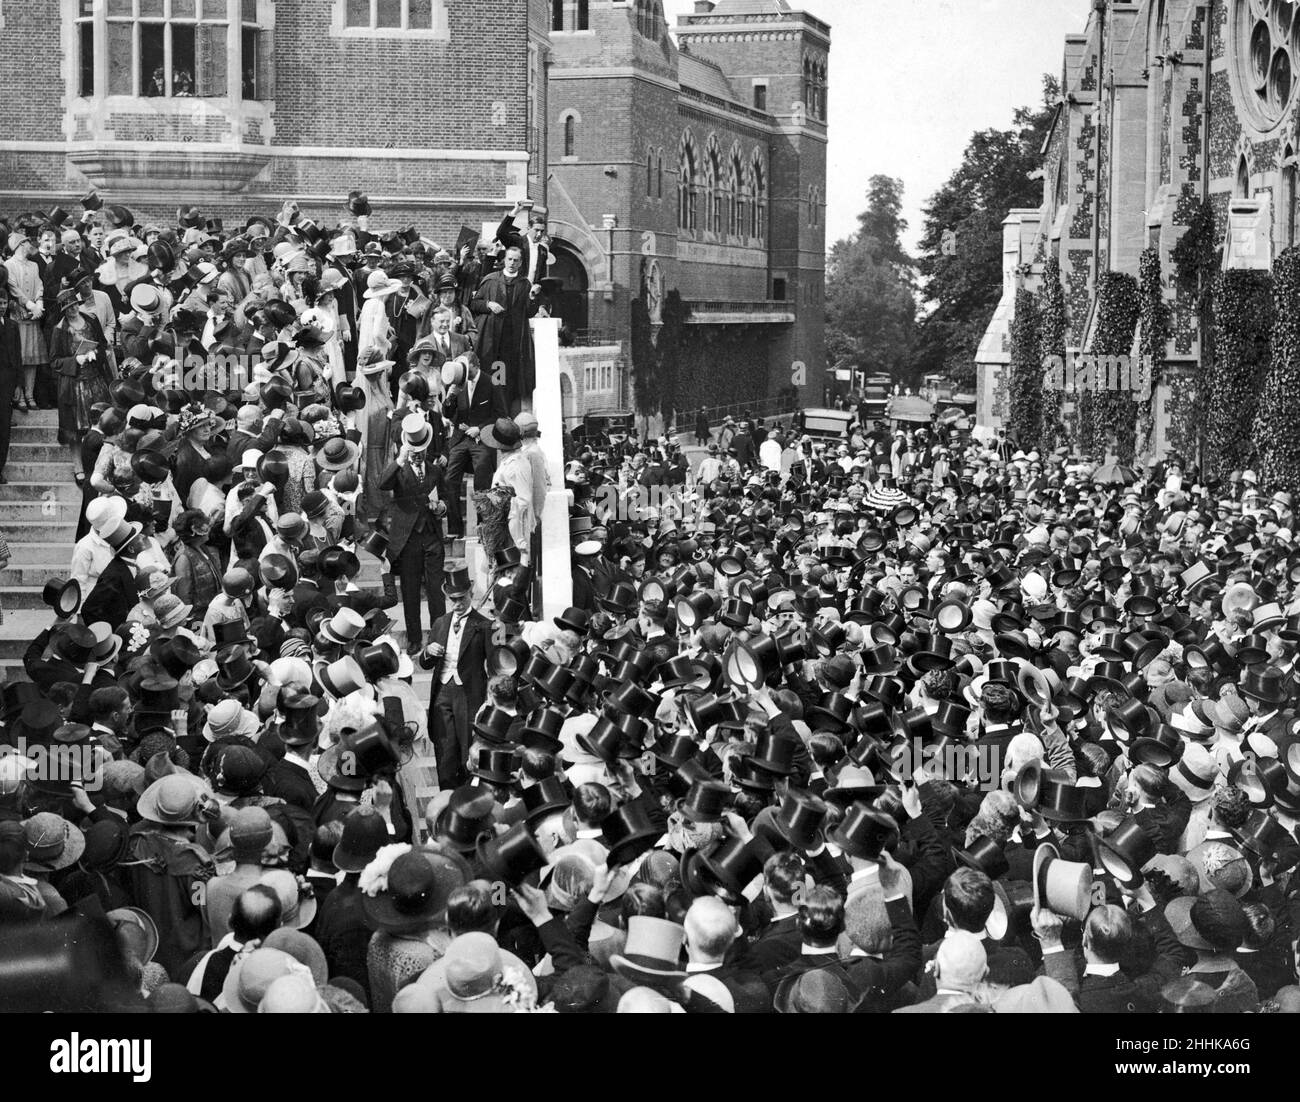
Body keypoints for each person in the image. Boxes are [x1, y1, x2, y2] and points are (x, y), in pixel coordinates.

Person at [380, 413, 448, 654]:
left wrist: (441, 507)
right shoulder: (398, 470)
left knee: (436, 592)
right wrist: (399, 460)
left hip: (431, 537)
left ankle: (439, 637)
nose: (418, 453)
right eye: (413, 448)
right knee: (409, 592)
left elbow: (446, 500)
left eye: (422, 449)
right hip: (407, 540)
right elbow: (382, 484)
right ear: (406, 446)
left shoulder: (435, 471)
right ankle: (414, 638)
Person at [472, 245, 541, 416]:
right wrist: (488, 305)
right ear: (504, 260)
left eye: (516, 260)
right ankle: (495, 415)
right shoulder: (491, 280)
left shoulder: (525, 284)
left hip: (514, 343)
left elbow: (529, 312)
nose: (511, 263)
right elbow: (474, 304)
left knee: (510, 381)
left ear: (520, 263)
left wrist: (532, 297)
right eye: (509, 259)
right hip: (493, 341)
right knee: (495, 378)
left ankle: (506, 416)